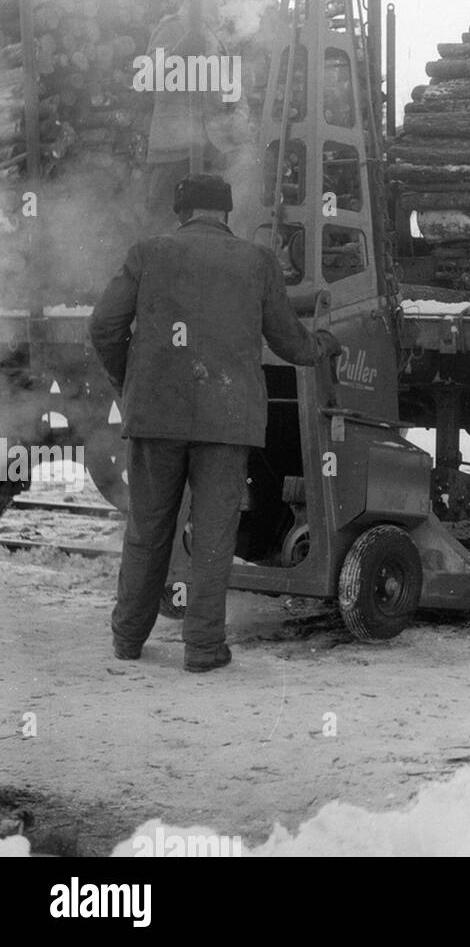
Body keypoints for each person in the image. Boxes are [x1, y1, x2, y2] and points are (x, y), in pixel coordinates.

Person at [89, 174, 340, 672]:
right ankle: (202, 649)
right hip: (226, 421)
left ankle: (127, 639)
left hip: (156, 416)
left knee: (147, 528)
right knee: (213, 535)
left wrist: (131, 383)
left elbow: (102, 326)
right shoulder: (256, 261)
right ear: (226, 213)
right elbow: (291, 343)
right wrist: (324, 346)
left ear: (180, 212)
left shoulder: (147, 253)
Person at [143, 0, 250, 228]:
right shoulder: (172, 28)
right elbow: (147, 78)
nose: (220, 2)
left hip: (210, 151)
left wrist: (239, 114)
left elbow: (235, 93)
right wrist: (180, 51)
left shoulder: (218, 40)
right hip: (174, 154)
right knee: (165, 230)